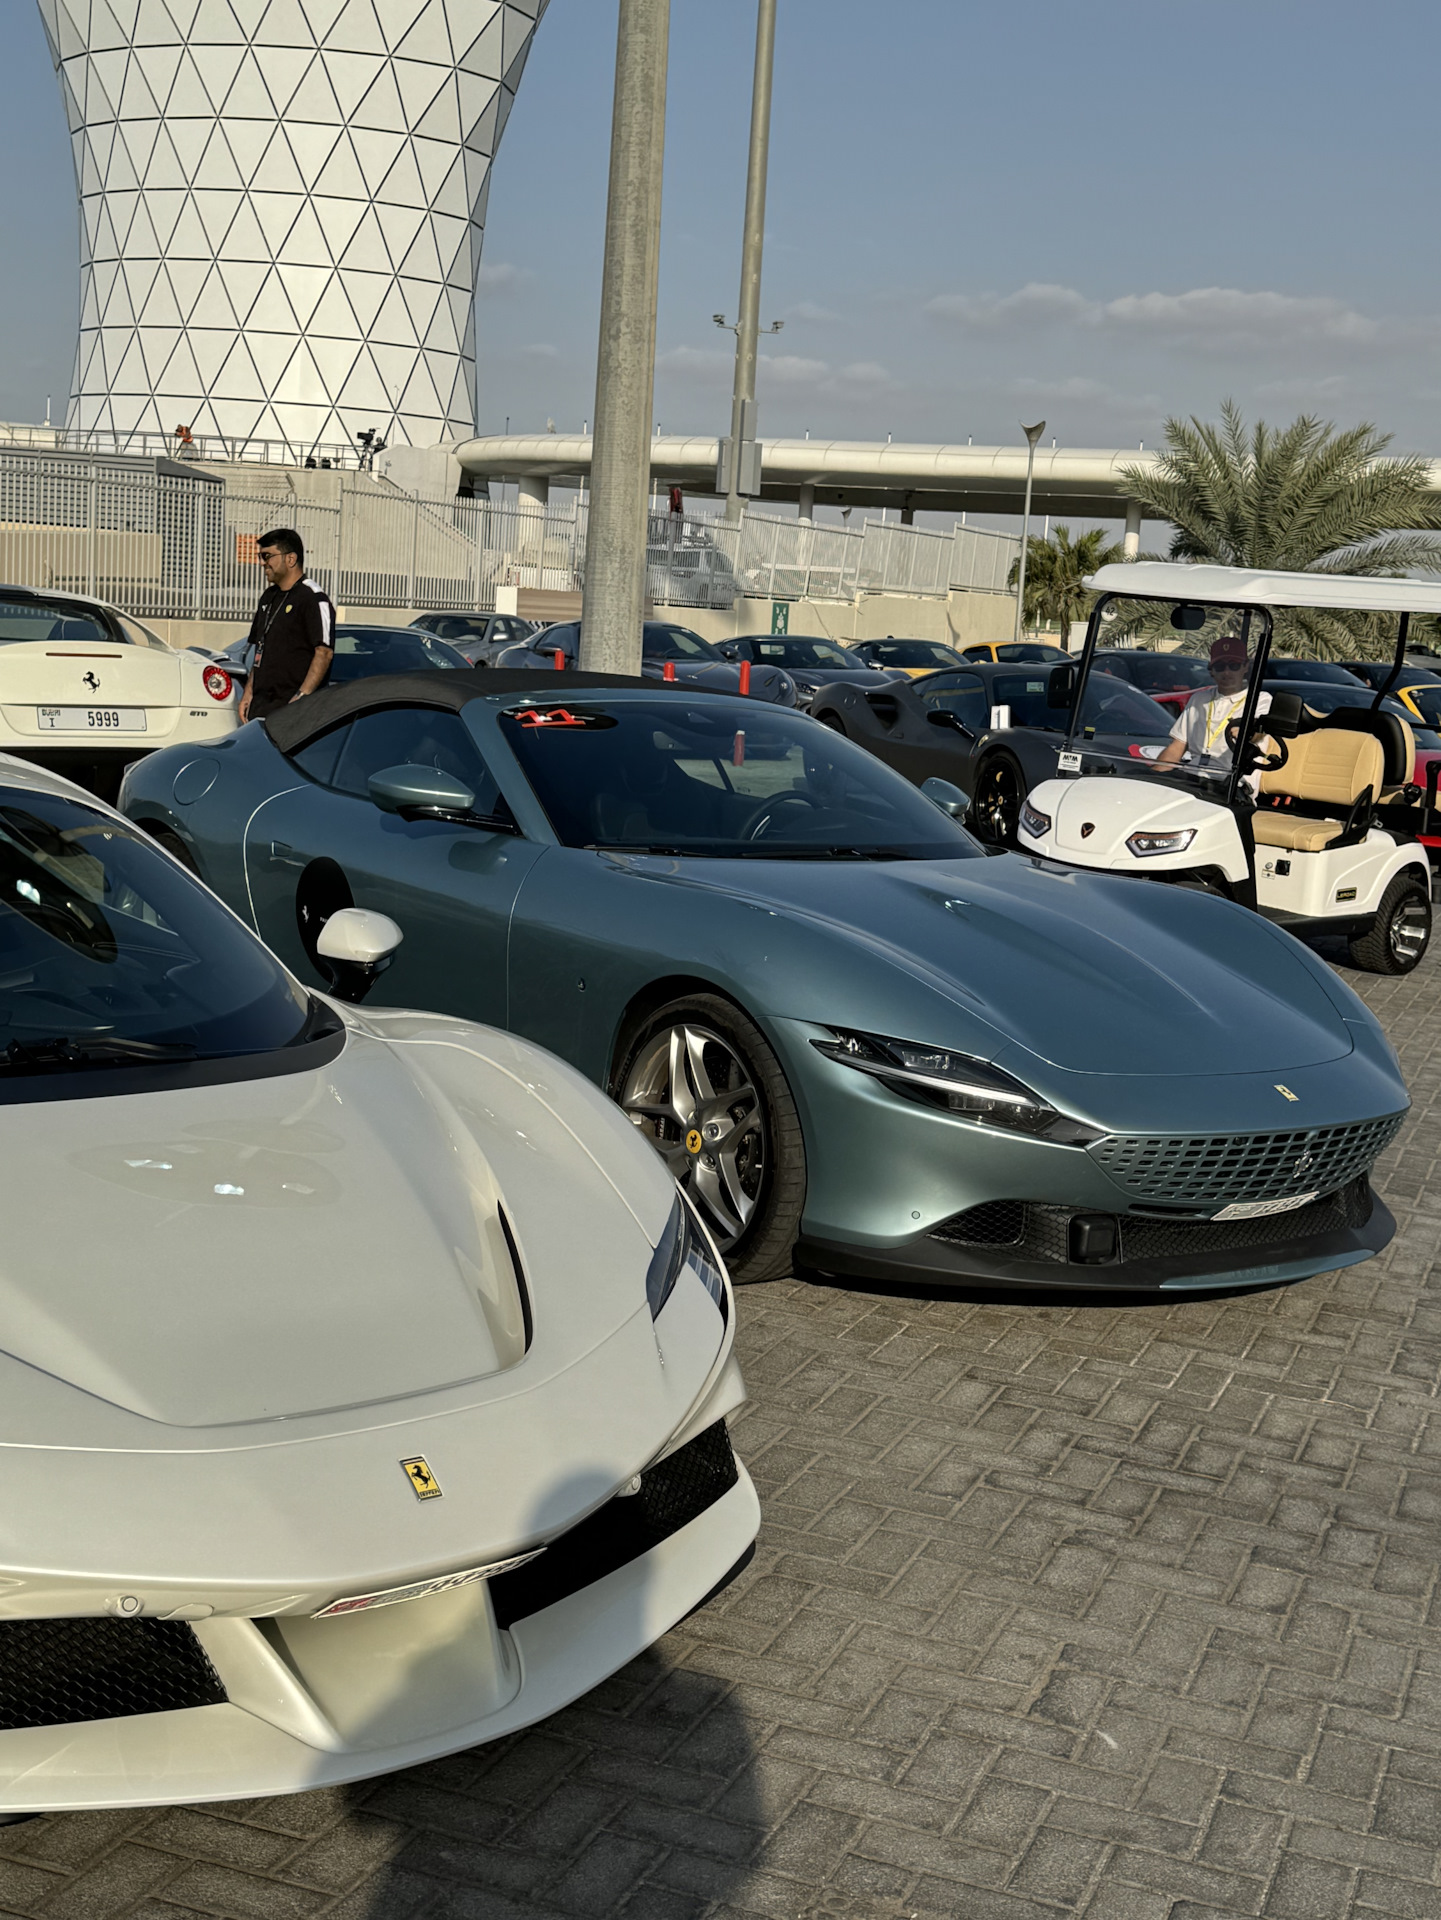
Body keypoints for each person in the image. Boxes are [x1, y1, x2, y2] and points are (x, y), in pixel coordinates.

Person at [237, 528, 336, 723]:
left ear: (291, 559)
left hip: (293, 712)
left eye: (267, 556)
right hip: (261, 707)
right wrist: (248, 693)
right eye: (261, 556)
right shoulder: (268, 597)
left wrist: (301, 698)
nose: (263, 563)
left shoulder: (313, 598)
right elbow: (260, 651)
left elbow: (324, 652)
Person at [1152, 632, 1272, 780]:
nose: (1227, 673)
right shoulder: (1199, 699)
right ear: (1211, 671)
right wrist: (1153, 778)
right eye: (1220, 667)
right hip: (1193, 777)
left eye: (1233, 666)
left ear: (1245, 667)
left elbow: (1258, 732)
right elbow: (1177, 747)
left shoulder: (1260, 700)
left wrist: (1247, 731)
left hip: (1233, 783)